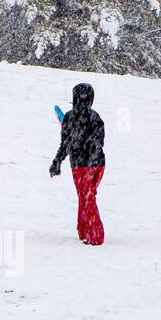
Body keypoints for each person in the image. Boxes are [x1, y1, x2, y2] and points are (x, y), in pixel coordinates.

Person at [50, 82, 106, 245]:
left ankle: (95, 236)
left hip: (89, 166)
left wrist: (91, 164)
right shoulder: (76, 118)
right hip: (87, 166)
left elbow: (97, 143)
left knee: (87, 197)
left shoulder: (93, 119)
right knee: (85, 197)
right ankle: (84, 232)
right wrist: (57, 161)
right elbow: (65, 143)